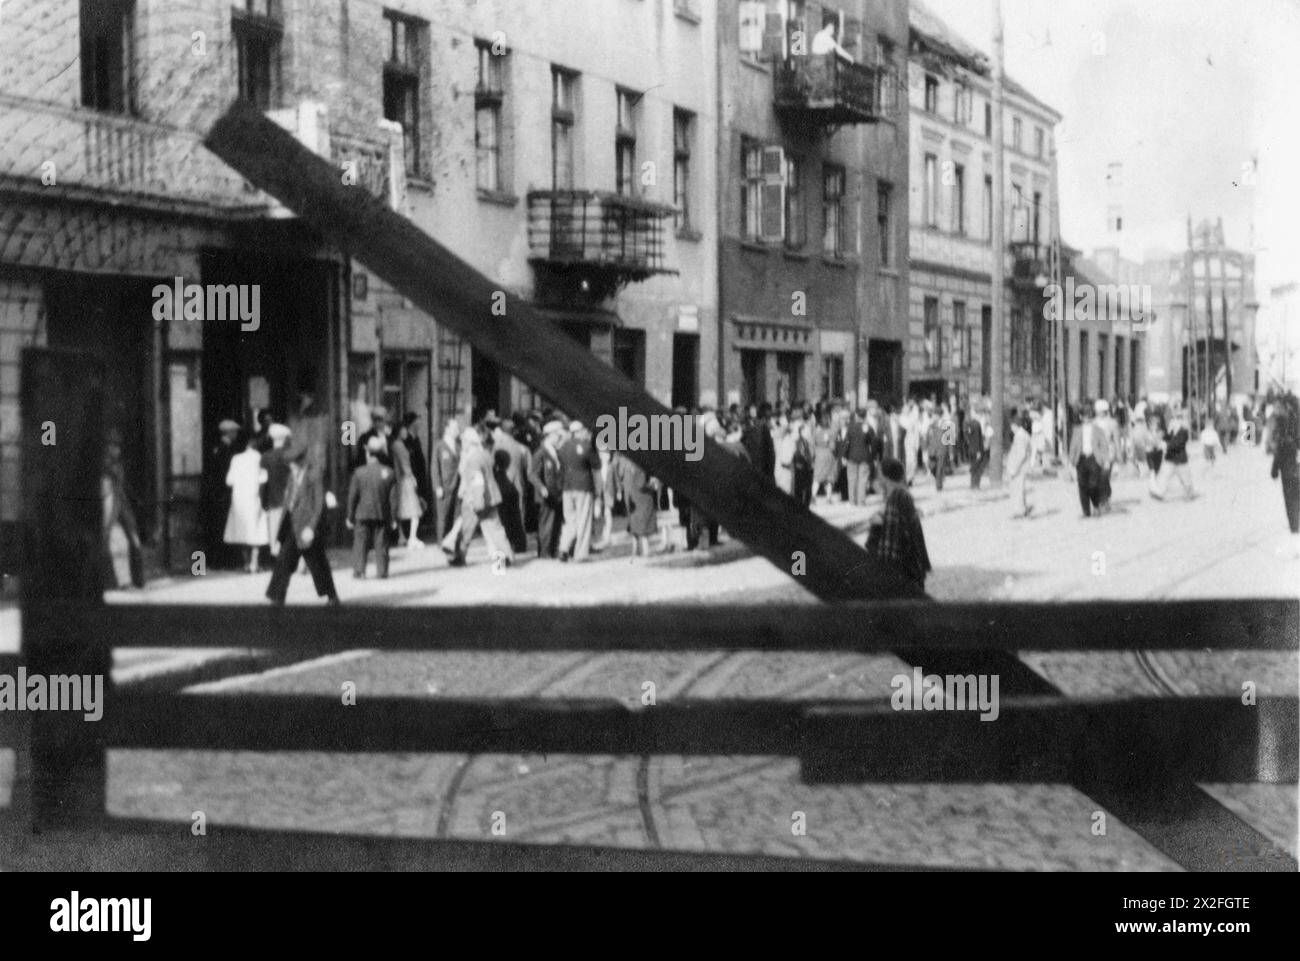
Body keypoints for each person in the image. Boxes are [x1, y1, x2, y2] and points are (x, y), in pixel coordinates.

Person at [266, 442, 340, 606]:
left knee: (317, 563)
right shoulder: (293, 475)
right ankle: (277, 597)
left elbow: (319, 504)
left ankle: (332, 596)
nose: (291, 467)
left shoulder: (314, 475)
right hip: (293, 525)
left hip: (307, 527)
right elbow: (289, 500)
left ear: (300, 462)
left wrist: (312, 527)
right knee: (284, 561)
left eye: (292, 464)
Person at [449, 425, 513, 569]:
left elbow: (478, 481)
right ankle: (505, 558)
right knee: (496, 530)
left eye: (464, 441)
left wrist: (478, 501)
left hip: (476, 500)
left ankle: (459, 557)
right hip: (492, 498)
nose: (462, 443)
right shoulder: (485, 454)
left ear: (469, 442)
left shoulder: (472, 459)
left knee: (467, 530)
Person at [865, 458, 931, 592]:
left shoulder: (896, 498)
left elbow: (891, 546)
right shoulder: (900, 495)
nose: (877, 477)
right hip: (909, 569)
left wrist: (876, 527)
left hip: (900, 573)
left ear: (885, 476)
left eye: (879, 473)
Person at [346, 435, 396, 579]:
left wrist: (349, 516)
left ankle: (359, 570)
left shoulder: (359, 473)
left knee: (360, 542)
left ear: (368, 453)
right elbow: (393, 499)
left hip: (362, 513)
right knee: (382, 543)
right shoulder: (389, 473)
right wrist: (393, 518)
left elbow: (352, 497)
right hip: (382, 513)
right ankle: (382, 571)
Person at [101, 427, 144, 590]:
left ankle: (128, 580)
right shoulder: (104, 468)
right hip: (109, 507)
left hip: (118, 506)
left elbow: (119, 492)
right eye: (113, 446)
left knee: (127, 541)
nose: (116, 450)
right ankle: (122, 582)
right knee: (118, 542)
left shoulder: (117, 467)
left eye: (118, 447)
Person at [224, 429, 269, 574]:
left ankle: (245, 563)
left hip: (239, 499)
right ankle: (254, 563)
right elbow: (264, 479)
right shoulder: (260, 459)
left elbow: (229, 481)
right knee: (255, 530)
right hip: (253, 498)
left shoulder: (236, 459)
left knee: (242, 531)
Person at [557, 420, 601, 562]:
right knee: (584, 520)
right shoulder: (587, 446)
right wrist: (599, 490)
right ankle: (580, 554)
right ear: (580, 431)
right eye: (585, 430)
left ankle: (563, 548)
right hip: (584, 486)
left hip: (567, 487)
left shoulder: (563, 447)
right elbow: (597, 468)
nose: (587, 433)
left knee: (570, 520)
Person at [529, 420, 566, 559]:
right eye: (557, 436)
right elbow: (532, 474)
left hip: (556, 494)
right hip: (545, 495)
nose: (559, 438)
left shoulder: (555, 451)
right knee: (546, 524)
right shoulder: (540, 453)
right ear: (550, 436)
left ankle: (553, 549)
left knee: (556, 523)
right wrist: (542, 488)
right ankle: (544, 552)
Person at [1269, 393, 1300, 546]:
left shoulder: (1285, 424)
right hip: (1296, 468)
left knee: (1292, 502)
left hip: (1290, 471)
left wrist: (1274, 469)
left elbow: (1281, 449)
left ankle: (1296, 535)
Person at [616, 453, 659, 557]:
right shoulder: (639, 465)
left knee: (634, 525)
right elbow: (641, 484)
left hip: (631, 498)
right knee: (643, 526)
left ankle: (635, 550)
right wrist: (652, 486)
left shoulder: (626, 463)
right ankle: (646, 550)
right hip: (642, 499)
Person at [260, 423, 293, 559]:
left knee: (275, 533)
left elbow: (263, 482)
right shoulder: (291, 454)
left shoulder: (265, 457)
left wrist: (263, 501)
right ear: (285, 438)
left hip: (273, 500)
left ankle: (278, 560)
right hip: (290, 499)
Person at [390, 423, 423, 549]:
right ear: (398, 432)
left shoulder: (395, 444)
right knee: (414, 509)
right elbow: (405, 463)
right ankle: (412, 537)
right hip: (405, 479)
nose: (406, 433)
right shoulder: (399, 445)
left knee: (400, 508)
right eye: (403, 431)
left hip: (399, 480)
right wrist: (412, 477)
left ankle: (402, 536)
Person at [1068, 402, 1104, 518]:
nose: (1087, 418)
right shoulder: (1077, 430)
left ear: (1092, 417)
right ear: (1081, 417)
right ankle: (1086, 511)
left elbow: (1103, 445)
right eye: (1084, 416)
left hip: (1094, 458)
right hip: (1081, 458)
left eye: (1089, 416)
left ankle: (1096, 505)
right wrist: (1071, 462)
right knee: (1082, 485)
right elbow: (1073, 446)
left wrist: (1105, 459)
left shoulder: (1098, 430)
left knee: (1093, 485)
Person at [1150, 408, 1194, 501]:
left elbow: (1178, 444)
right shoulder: (1172, 431)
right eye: (1174, 418)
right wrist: (1159, 435)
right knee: (1164, 476)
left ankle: (1190, 493)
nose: (1174, 420)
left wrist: (1166, 445)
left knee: (1186, 479)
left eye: (1177, 418)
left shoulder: (1184, 431)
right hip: (1170, 458)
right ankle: (1160, 492)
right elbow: (1166, 438)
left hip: (1180, 460)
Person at [401, 411, 434, 533]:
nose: (419, 424)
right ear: (411, 424)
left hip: (419, 476)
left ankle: (415, 531)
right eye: (417, 422)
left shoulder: (416, 439)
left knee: (419, 503)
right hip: (411, 477)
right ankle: (408, 532)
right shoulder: (406, 440)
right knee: (412, 504)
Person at [434, 417, 461, 548]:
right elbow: (435, 468)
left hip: (459, 485)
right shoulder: (439, 445)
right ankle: (441, 542)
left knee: (456, 515)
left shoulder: (459, 444)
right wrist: (437, 486)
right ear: (447, 429)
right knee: (443, 516)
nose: (457, 430)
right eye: (455, 428)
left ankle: (452, 542)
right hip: (445, 486)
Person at [1006, 413, 1034, 519]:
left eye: (1012, 426)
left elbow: (1021, 454)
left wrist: (1014, 468)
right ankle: (1023, 508)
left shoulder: (1020, 436)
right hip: (1022, 466)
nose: (1011, 428)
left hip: (1019, 468)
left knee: (1017, 489)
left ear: (1015, 425)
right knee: (1019, 489)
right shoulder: (1024, 435)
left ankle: (1020, 511)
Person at [844, 410, 874, 506]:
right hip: (865, 455)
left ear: (857, 416)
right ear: (865, 417)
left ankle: (852, 501)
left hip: (852, 455)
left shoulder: (850, 427)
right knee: (863, 479)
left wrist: (844, 456)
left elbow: (846, 443)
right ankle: (861, 501)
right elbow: (873, 442)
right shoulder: (868, 427)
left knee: (852, 479)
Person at [965, 410, 988, 490]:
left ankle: (972, 484)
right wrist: (979, 450)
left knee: (973, 466)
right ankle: (976, 485)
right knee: (978, 467)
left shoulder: (969, 424)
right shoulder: (977, 424)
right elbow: (978, 438)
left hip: (971, 449)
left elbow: (967, 436)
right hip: (977, 449)